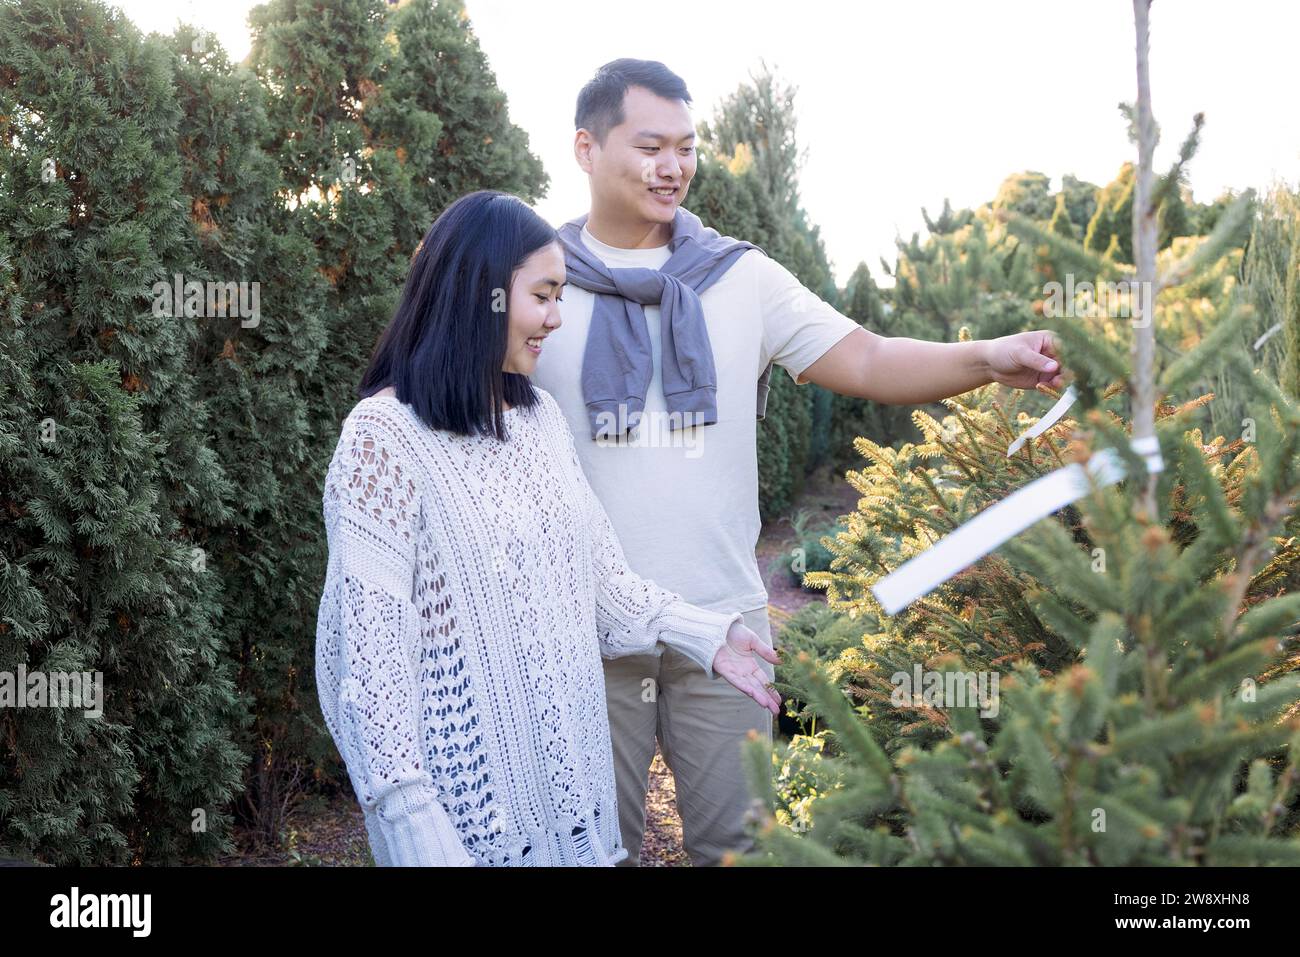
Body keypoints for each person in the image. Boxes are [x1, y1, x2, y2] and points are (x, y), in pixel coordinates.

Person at [529, 58, 1065, 867]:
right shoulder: (541, 281)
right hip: (581, 631)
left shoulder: (742, 277)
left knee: (740, 851)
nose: (672, 166)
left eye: (686, 146)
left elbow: (873, 360)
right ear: (585, 148)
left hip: (725, 625)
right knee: (579, 852)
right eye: (650, 146)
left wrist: (989, 355)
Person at [313, 190, 782, 867]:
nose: (557, 318)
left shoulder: (538, 420)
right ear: (481, 293)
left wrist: (708, 634)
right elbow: (371, 671)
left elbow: (605, 585)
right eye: (544, 295)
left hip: (572, 809)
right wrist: (417, 830)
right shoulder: (383, 439)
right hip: (467, 827)